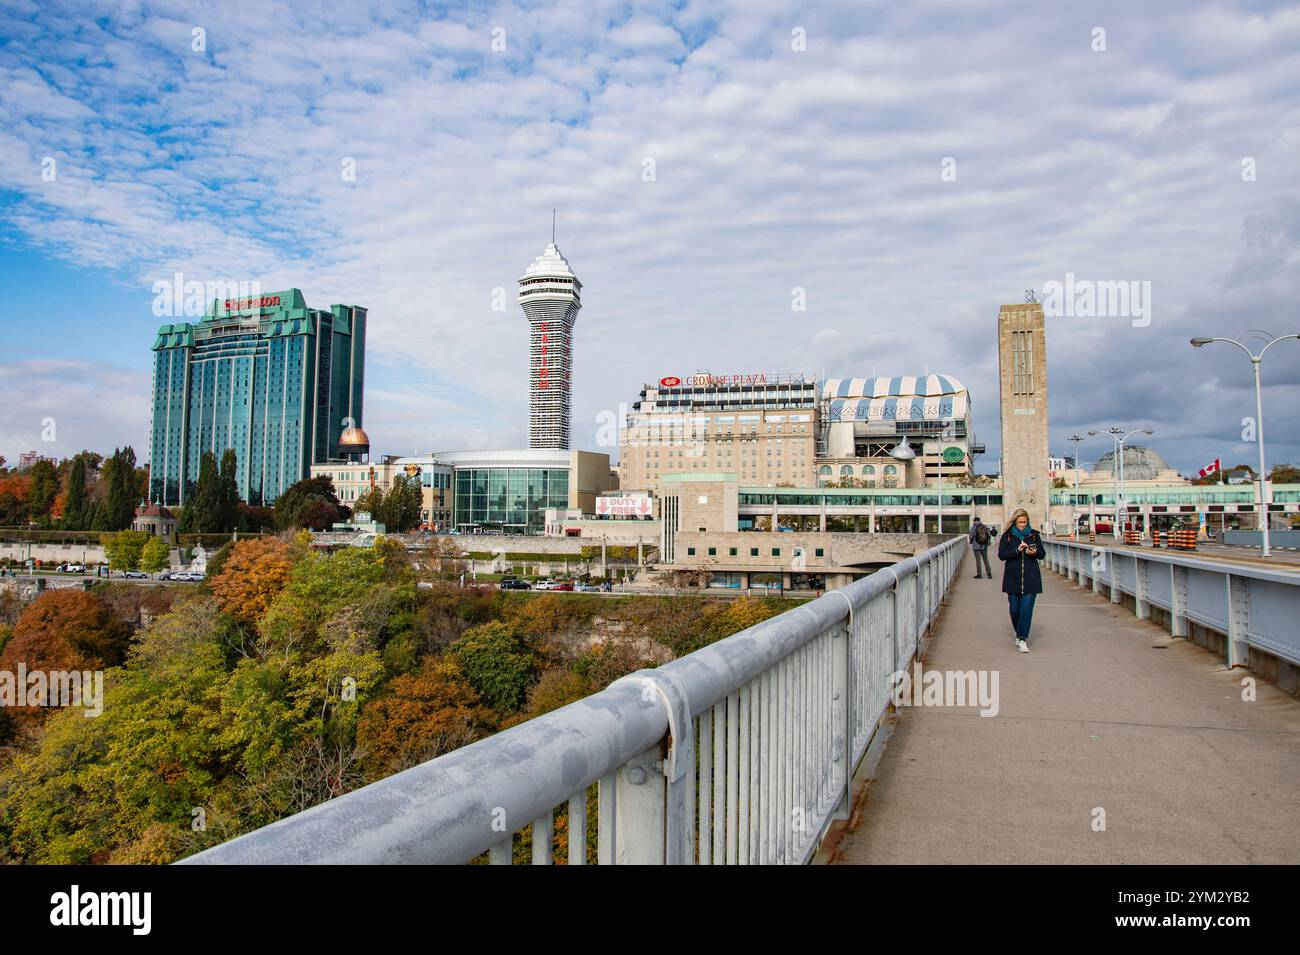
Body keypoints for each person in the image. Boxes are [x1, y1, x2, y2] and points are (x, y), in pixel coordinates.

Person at [998, 508, 1045, 653]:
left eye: (1025, 522)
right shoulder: (1007, 536)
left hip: (1031, 579)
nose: (1023, 525)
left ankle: (1022, 638)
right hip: (1013, 579)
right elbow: (1002, 555)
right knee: (1014, 610)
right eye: (1020, 522)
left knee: (1026, 611)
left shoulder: (1034, 535)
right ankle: (1019, 631)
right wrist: (1017, 550)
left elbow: (1042, 554)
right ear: (1015, 522)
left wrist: (1034, 552)